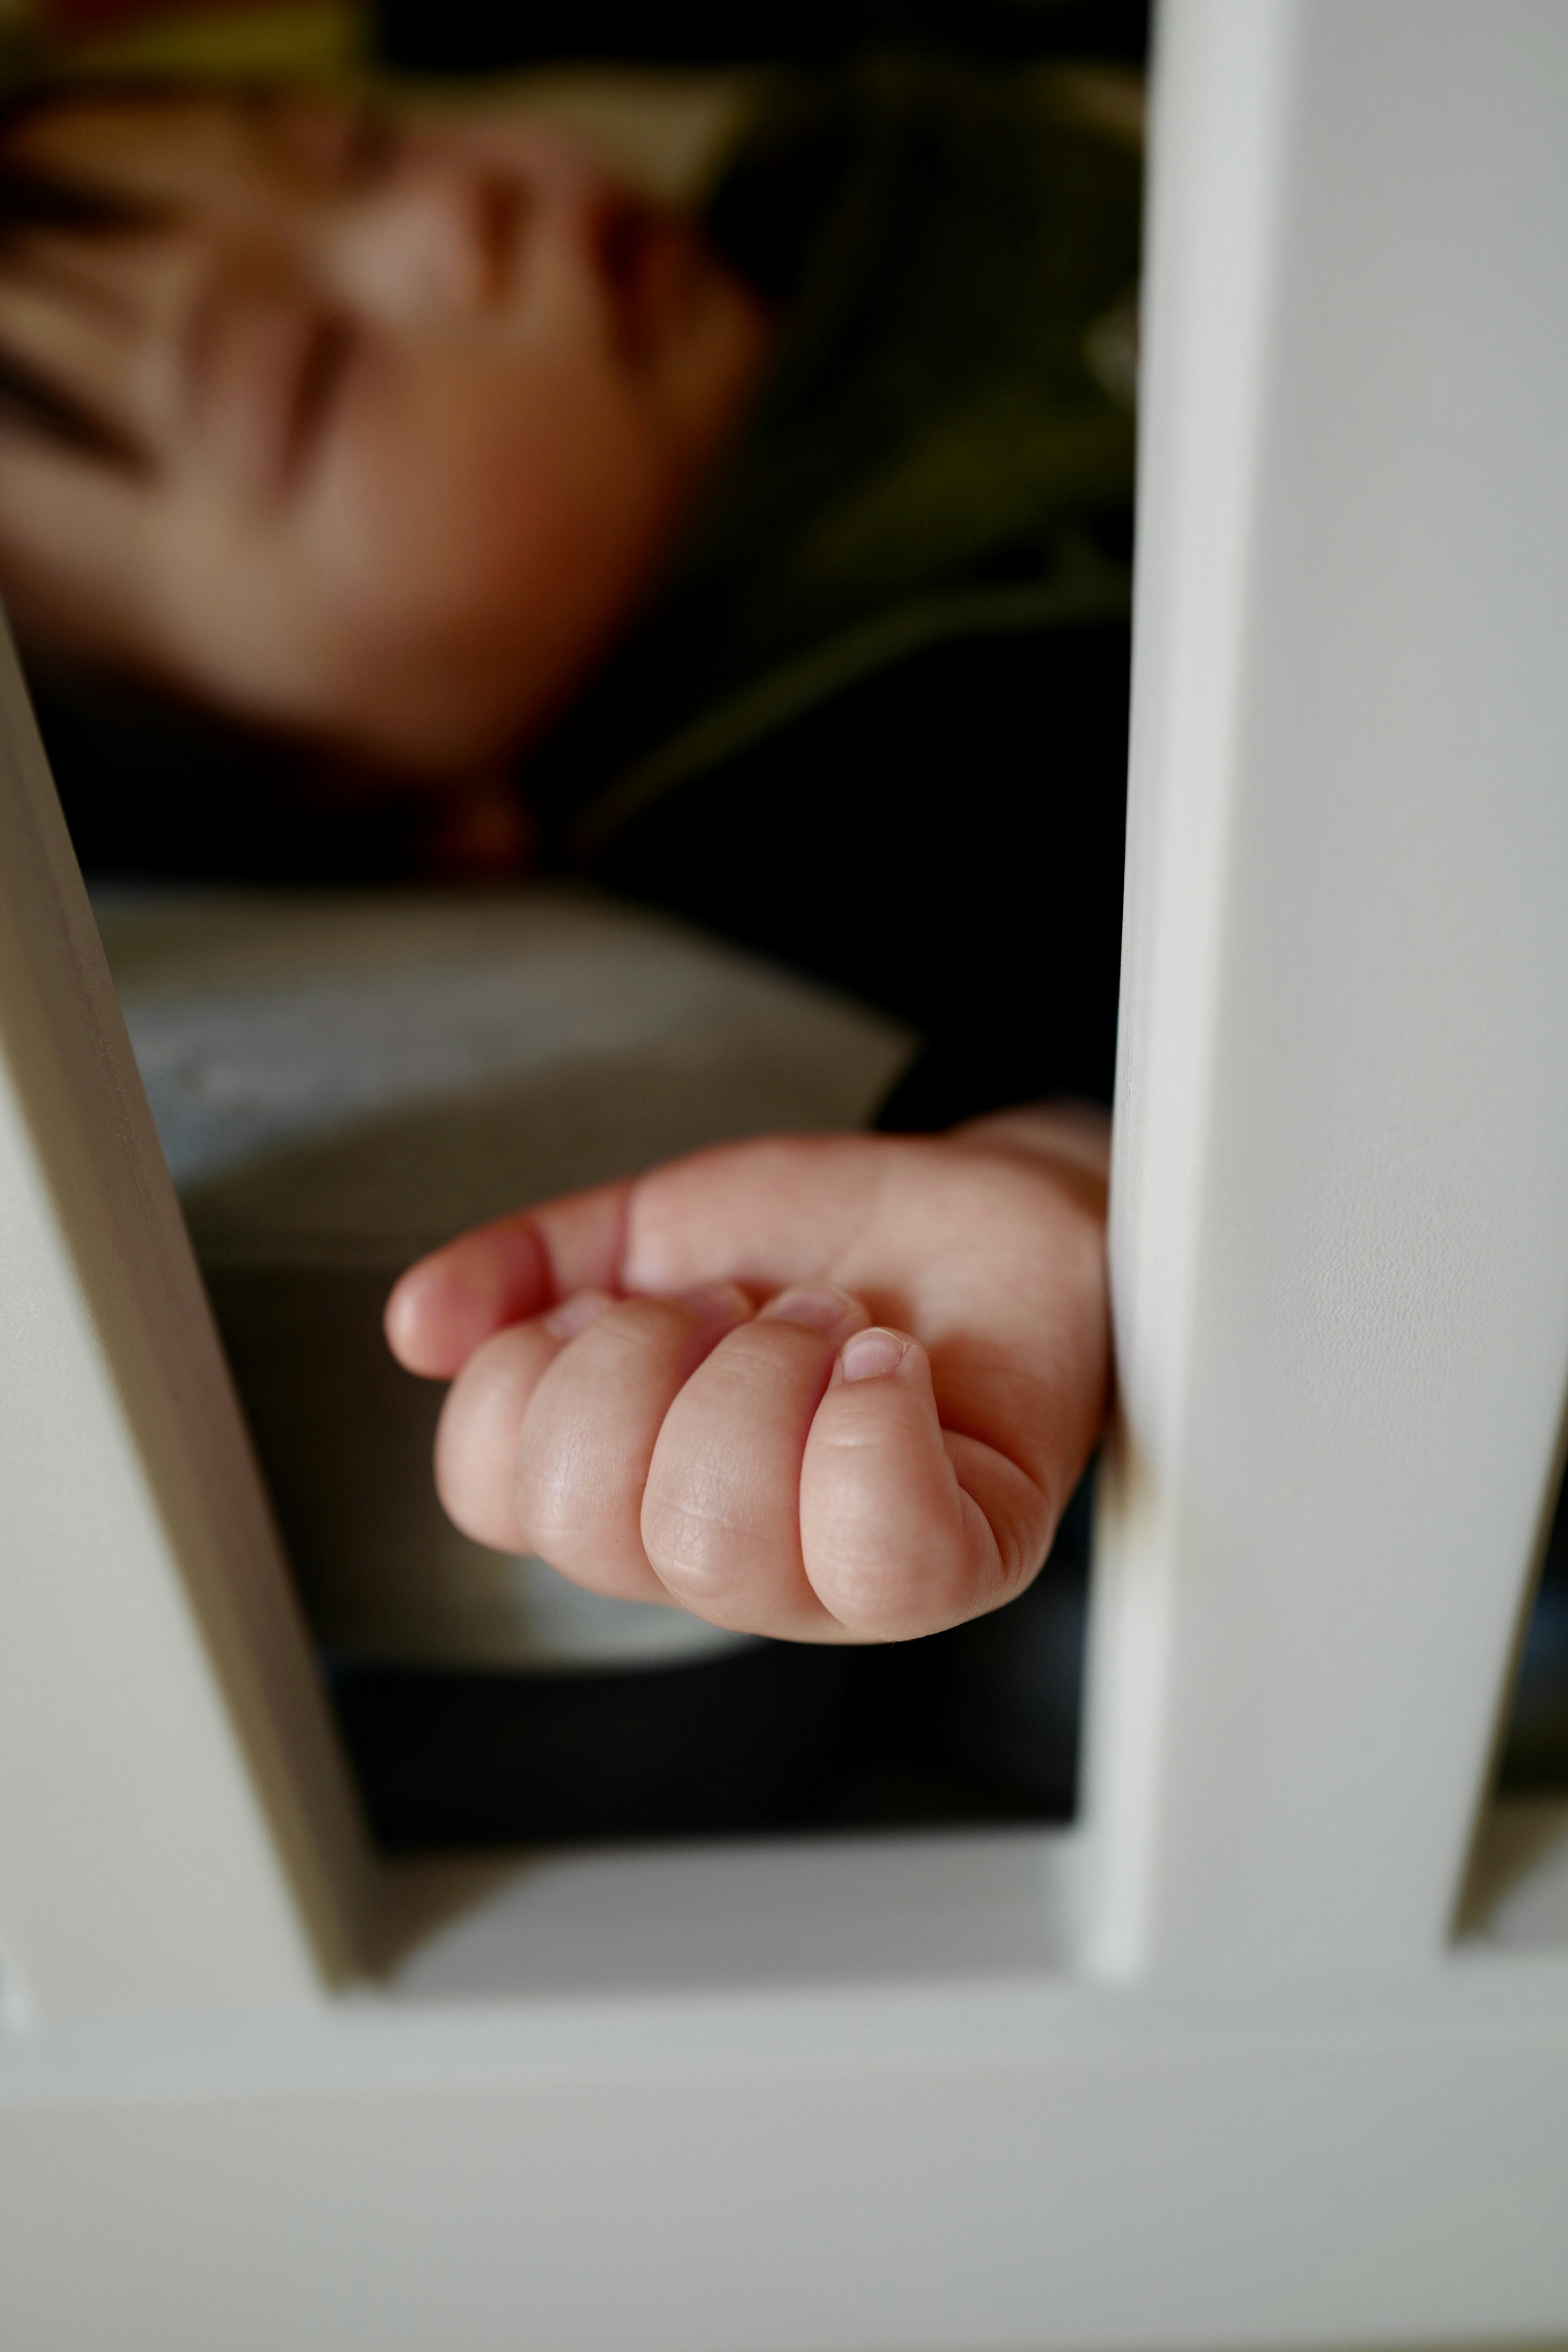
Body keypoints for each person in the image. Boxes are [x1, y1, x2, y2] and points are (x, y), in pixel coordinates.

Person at [0, 52, 1133, 1671]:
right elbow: (1093, 955)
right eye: (315, 377)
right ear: (410, 816)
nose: (457, 213)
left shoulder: (854, 139)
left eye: (361, 146)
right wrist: (1051, 1165)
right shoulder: (812, 776)